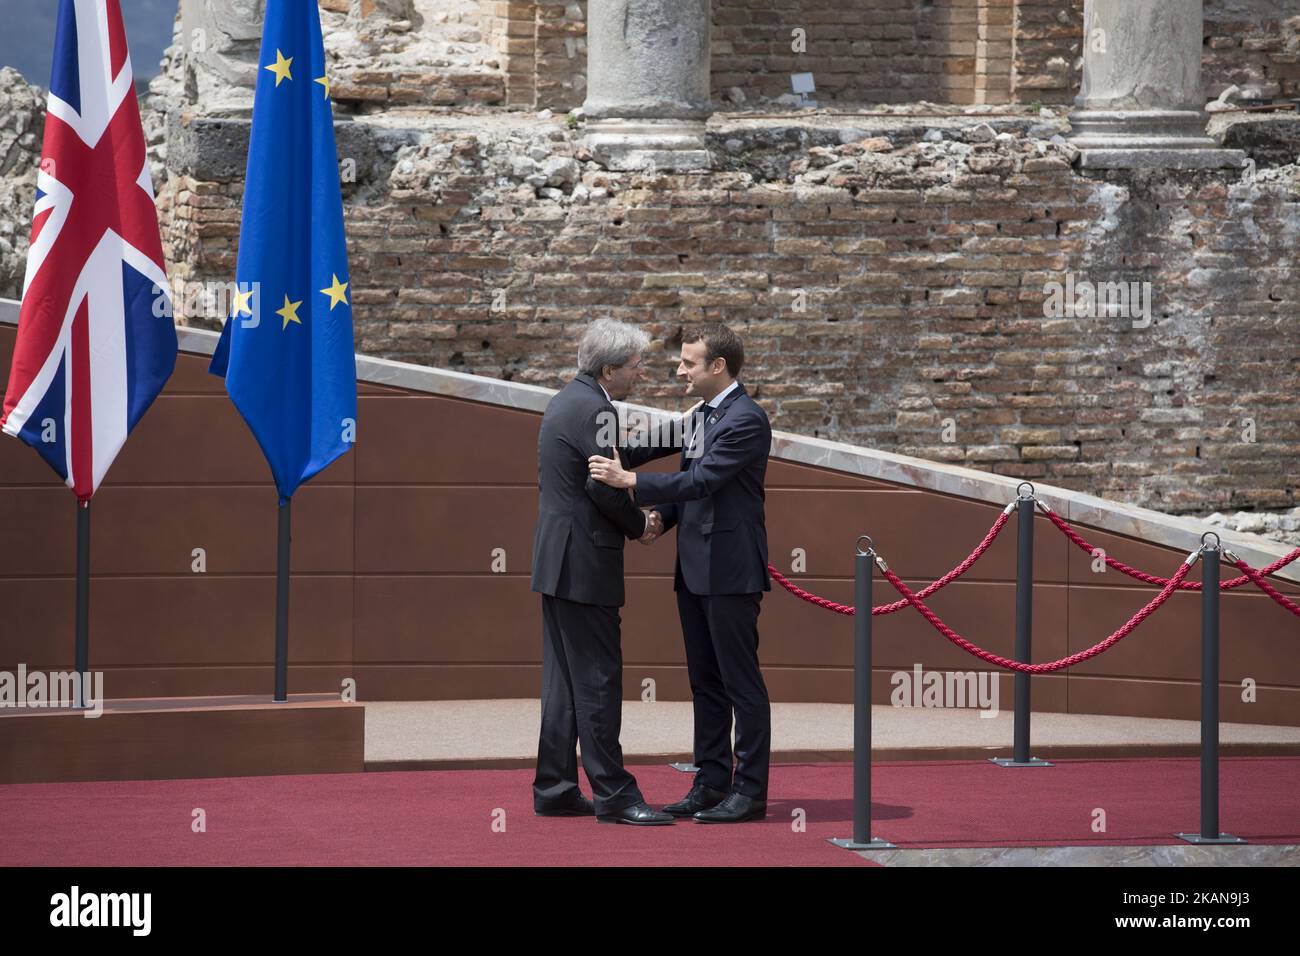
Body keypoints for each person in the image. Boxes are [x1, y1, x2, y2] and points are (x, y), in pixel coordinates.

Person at [588, 323, 772, 824]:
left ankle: (750, 791)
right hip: (694, 571)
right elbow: (660, 460)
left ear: (718, 367)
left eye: (689, 362)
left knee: (741, 683)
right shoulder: (701, 415)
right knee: (705, 683)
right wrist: (658, 521)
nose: (679, 369)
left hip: (731, 572)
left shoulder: (746, 419)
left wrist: (631, 482)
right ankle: (711, 783)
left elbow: (704, 480)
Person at [530, 318, 676, 826]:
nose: (641, 372)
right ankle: (614, 794)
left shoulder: (570, 399)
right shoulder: (597, 409)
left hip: (558, 562)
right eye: (636, 365)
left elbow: (614, 460)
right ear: (610, 369)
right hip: (585, 564)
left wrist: (682, 430)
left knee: (565, 683)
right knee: (596, 681)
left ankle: (555, 787)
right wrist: (643, 525)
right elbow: (603, 486)